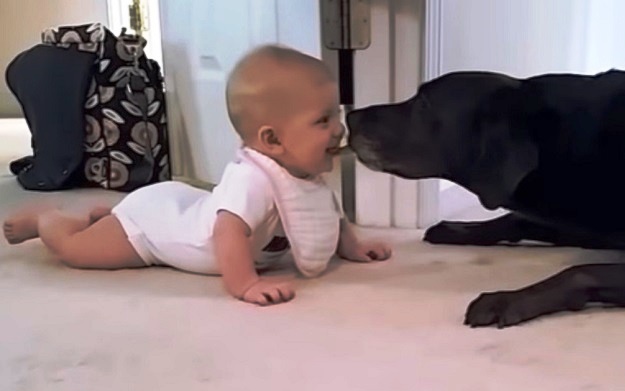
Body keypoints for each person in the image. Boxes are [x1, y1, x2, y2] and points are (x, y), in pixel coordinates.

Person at [2, 44, 391, 306]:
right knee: (79, 252)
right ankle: (50, 221)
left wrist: (351, 247)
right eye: (323, 121)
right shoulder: (252, 181)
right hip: (154, 231)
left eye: (335, 115)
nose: (338, 129)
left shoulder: (300, 172)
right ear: (272, 140)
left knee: (114, 224)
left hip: (179, 202)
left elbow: (326, 212)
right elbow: (227, 233)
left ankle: (103, 216)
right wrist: (246, 284)